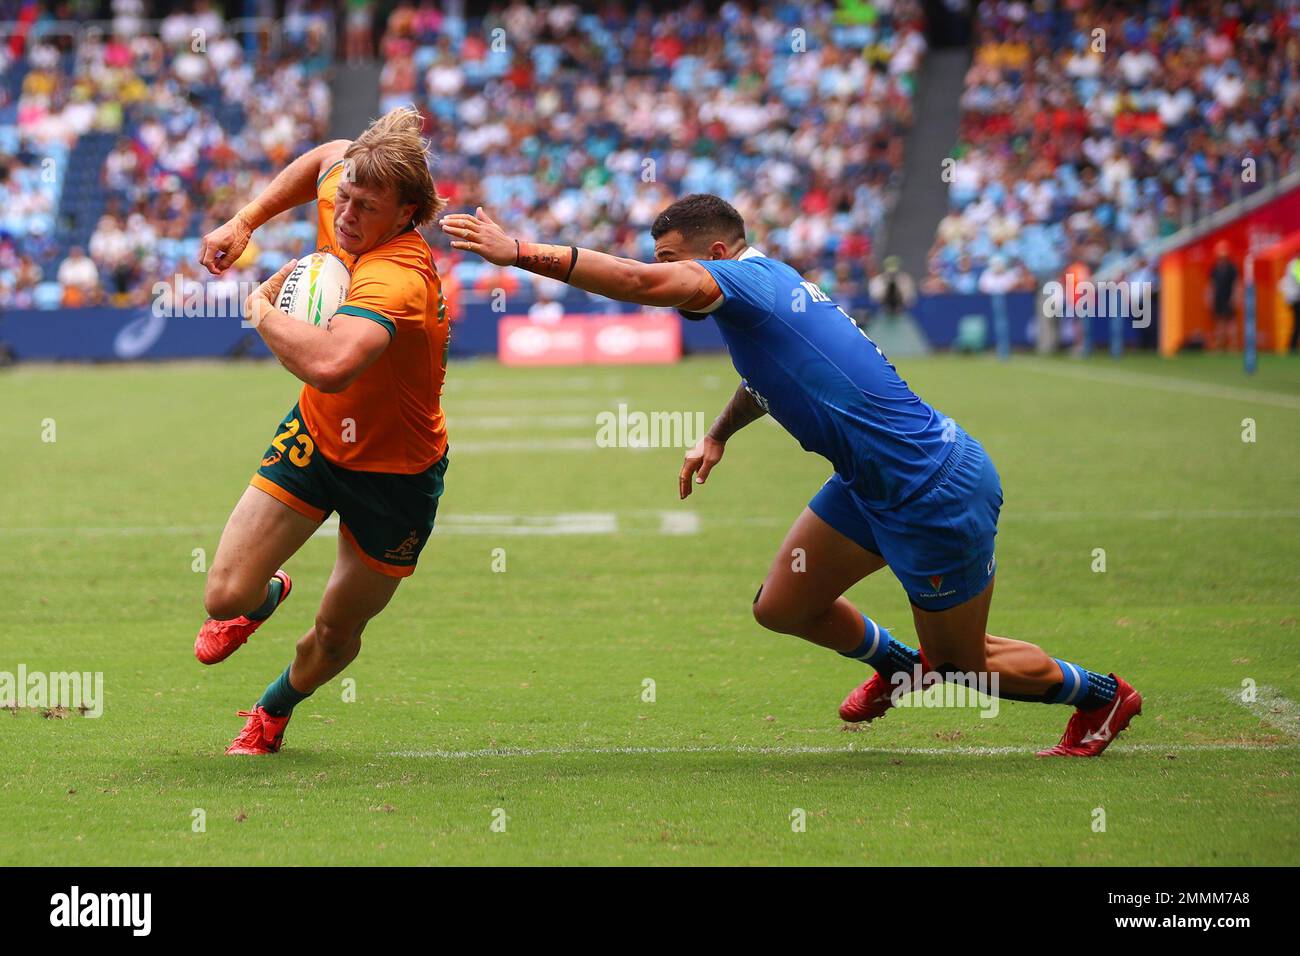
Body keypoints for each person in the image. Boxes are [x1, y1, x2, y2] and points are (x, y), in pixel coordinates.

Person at [441, 193, 1143, 757]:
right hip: (871, 486)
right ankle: (901, 669)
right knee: (783, 605)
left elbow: (635, 282)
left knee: (965, 665)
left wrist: (519, 253)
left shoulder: (742, 279)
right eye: (662, 260)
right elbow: (765, 381)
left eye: (674, 261)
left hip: (931, 488)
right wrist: (717, 435)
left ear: (716, 255)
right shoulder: (762, 290)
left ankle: (1101, 694)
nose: (668, 275)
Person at [195, 107, 451, 755]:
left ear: (406, 215)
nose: (345, 215)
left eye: (366, 208)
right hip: (316, 437)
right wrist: (244, 221)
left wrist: (260, 310)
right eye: (346, 199)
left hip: (395, 475)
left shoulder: (398, 277)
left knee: (335, 634)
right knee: (224, 595)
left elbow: (331, 365)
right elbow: (323, 158)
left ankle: (273, 710)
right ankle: (262, 600)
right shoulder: (350, 181)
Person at [1208, 241, 1237, 351]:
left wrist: (1234, 297)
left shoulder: (1231, 268)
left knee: (1230, 322)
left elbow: (1236, 284)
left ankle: (1233, 345)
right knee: (1219, 323)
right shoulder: (1215, 268)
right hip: (1219, 298)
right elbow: (1212, 284)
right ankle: (1220, 345)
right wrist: (1210, 296)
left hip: (1228, 297)